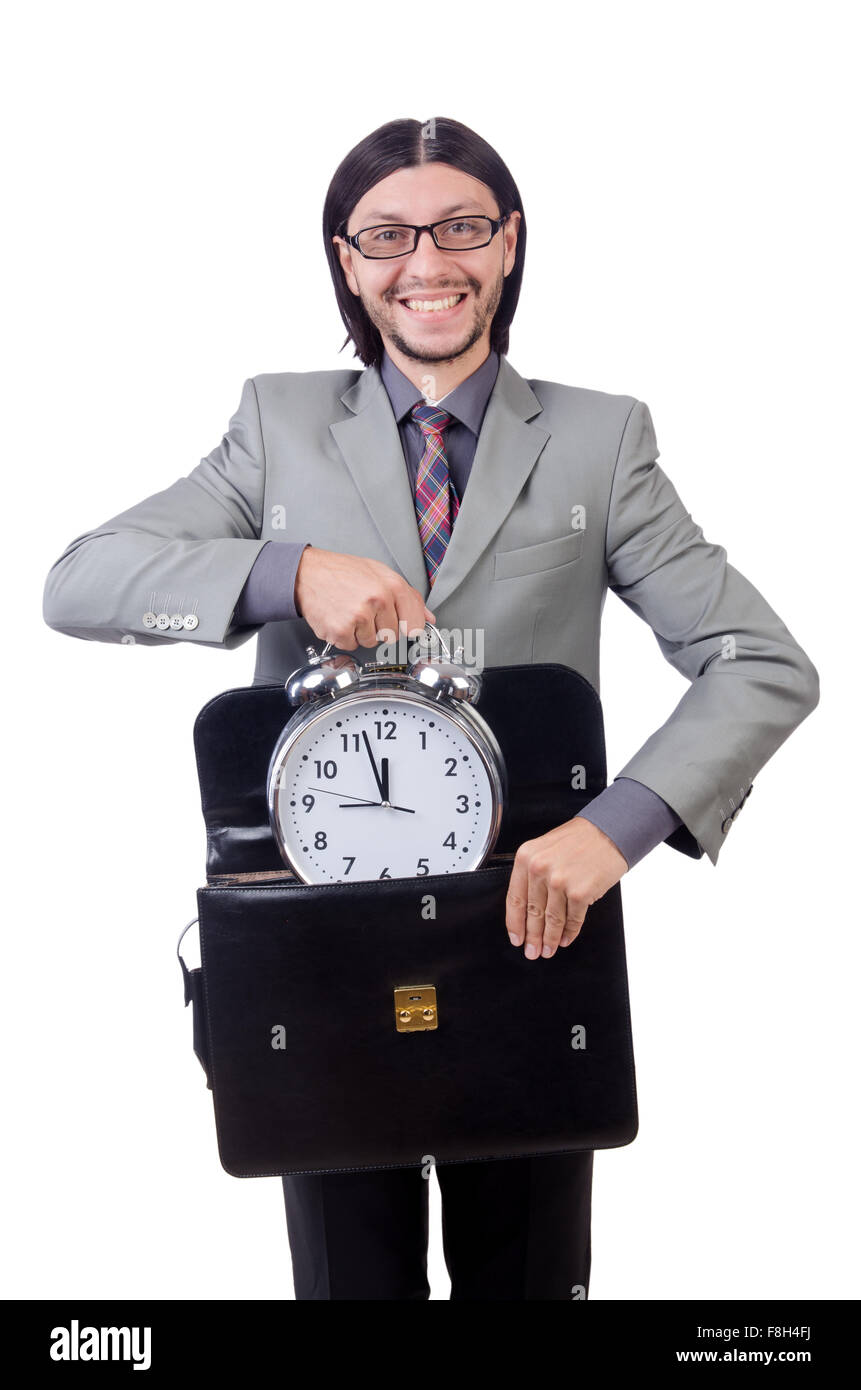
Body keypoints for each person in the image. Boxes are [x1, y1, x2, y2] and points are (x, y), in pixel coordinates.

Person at [42, 115, 820, 1301]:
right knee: (351, 1283)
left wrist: (613, 831)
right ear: (347, 262)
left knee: (528, 1280)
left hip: (529, 923)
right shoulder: (278, 422)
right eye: (389, 235)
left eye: (461, 227)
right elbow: (78, 580)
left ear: (508, 244)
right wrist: (283, 572)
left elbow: (762, 660)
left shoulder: (602, 440)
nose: (427, 261)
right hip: (324, 939)